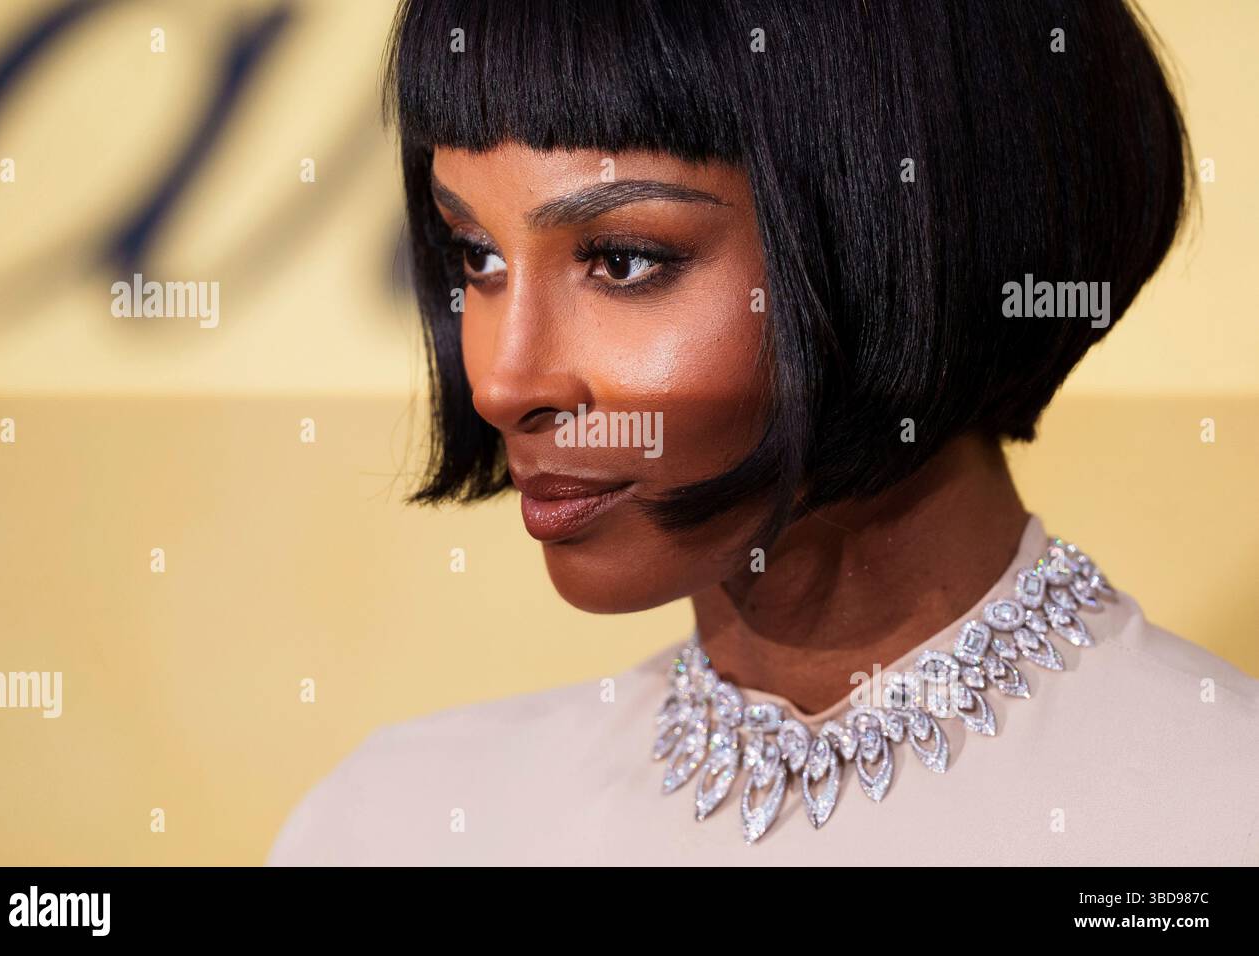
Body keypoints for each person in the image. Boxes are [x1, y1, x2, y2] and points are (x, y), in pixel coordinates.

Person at [269, 0, 1259, 864]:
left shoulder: (1218, 815)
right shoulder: (396, 823)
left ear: (913, 240)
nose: (501, 379)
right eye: (476, 254)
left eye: (619, 260)